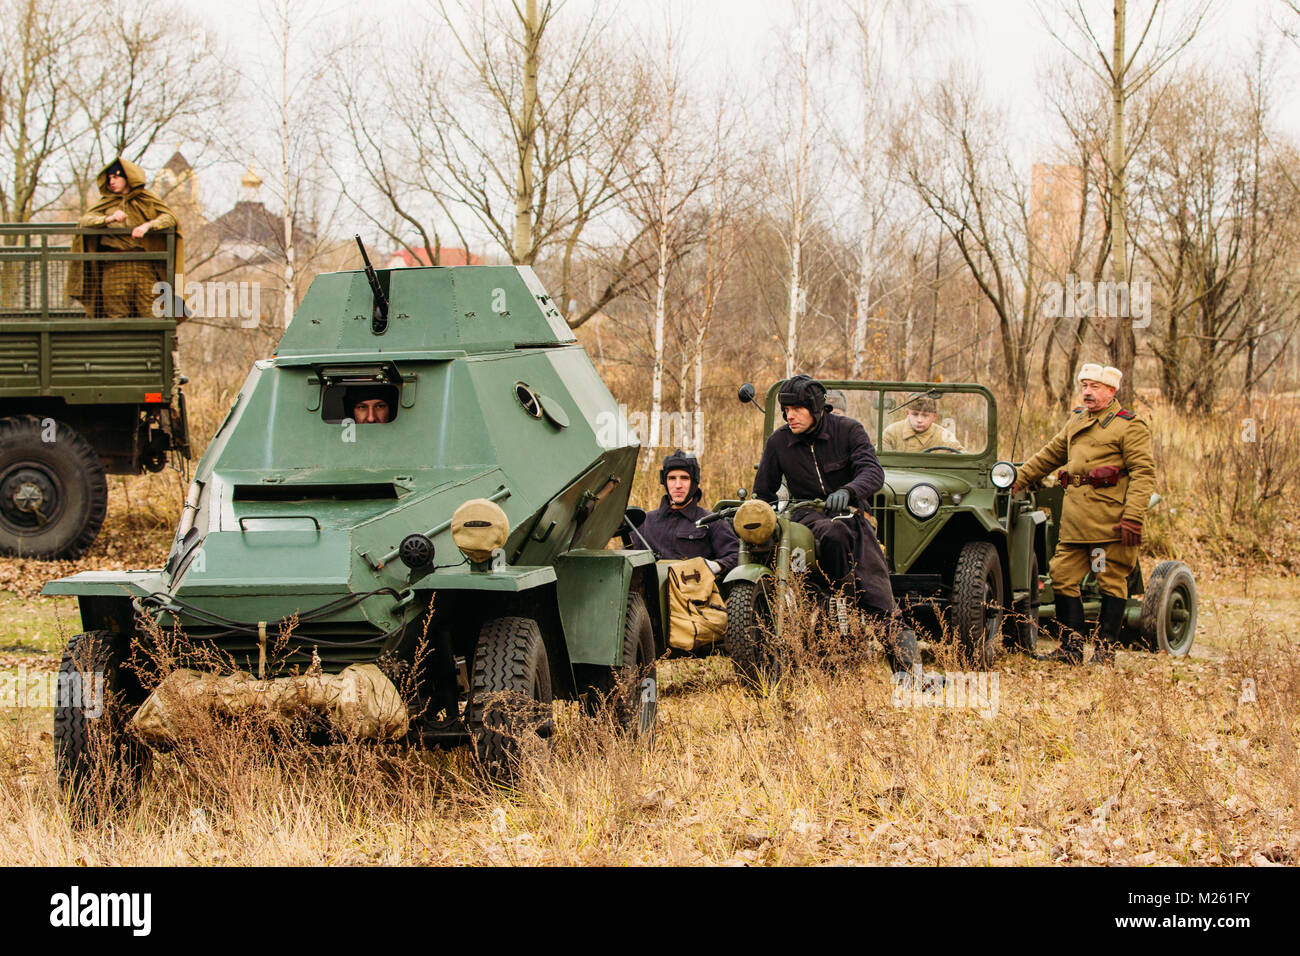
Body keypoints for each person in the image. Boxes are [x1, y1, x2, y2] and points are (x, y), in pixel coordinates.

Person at [752, 374, 920, 675]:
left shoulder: (849, 431)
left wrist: (849, 491)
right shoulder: (779, 442)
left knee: (880, 596)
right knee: (830, 533)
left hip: (854, 517)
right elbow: (762, 491)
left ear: (816, 408)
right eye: (785, 410)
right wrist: (757, 515)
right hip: (806, 519)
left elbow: (873, 472)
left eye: (797, 409)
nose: (789, 415)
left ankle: (908, 672)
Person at [1013, 363, 1155, 665]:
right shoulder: (1077, 419)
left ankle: (1104, 651)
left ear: (1111, 391)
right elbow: (1051, 454)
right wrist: (1019, 478)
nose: (1087, 392)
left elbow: (1143, 474)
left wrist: (1133, 517)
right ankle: (1071, 648)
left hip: (1109, 522)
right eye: (1085, 386)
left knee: (1109, 580)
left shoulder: (1129, 425)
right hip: (1076, 520)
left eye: (1094, 387)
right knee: (1062, 575)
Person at [68, 158, 185, 319]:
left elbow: (169, 218)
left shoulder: (146, 199)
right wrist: (108, 219)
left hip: (143, 265)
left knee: (151, 312)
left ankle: (151, 344)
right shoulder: (106, 203)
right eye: (109, 178)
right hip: (114, 264)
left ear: (127, 178)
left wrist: (148, 226)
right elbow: (85, 221)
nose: (112, 181)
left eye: (116, 177)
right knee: (116, 313)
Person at [638, 450, 738, 575]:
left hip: (694, 591)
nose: (678, 485)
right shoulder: (645, 522)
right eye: (672, 478)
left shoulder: (713, 522)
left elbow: (735, 556)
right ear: (665, 482)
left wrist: (716, 566)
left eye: (684, 478)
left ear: (694, 482)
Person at [880, 395, 962, 452]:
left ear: (934, 416)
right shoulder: (892, 433)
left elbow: (963, 459)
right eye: (915, 414)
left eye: (925, 416)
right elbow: (876, 461)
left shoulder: (944, 437)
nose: (919, 420)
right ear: (908, 413)